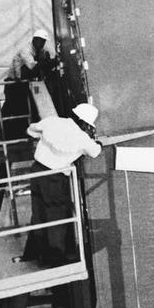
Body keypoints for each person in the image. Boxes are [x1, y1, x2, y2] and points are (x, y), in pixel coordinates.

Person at [23, 103, 102, 266]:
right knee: (56, 215)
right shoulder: (81, 137)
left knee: (38, 212)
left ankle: (35, 253)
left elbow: (31, 130)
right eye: (88, 126)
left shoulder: (53, 121)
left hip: (36, 171)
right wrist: (98, 143)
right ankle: (55, 258)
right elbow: (95, 152)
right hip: (54, 179)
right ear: (84, 123)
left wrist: (46, 138)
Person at [0, 29, 54, 141]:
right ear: (35, 40)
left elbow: (44, 61)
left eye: (44, 41)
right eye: (41, 41)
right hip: (13, 83)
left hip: (23, 83)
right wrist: (48, 62)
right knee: (10, 107)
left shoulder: (40, 50)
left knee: (23, 108)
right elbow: (33, 66)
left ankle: (20, 133)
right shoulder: (26, 50)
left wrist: (48, 61)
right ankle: (1, 132)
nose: (42, 44)